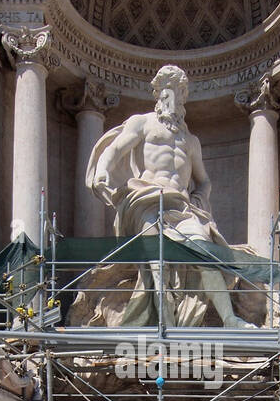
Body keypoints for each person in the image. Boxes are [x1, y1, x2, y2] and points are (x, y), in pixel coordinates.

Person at [86, 66, 255, 328]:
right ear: (158, 96)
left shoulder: (191, 140)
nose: (170, 101)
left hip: (181, 206)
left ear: (183, 98)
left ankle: (230, 319)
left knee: (206, 256)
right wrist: (102, 172)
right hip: (147, 200)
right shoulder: (141, 123)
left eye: (176, 94)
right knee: (158, 266)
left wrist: (200, 198)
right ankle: (166, 328)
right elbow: (115, 149)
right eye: (165, 94)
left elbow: (204, 180)